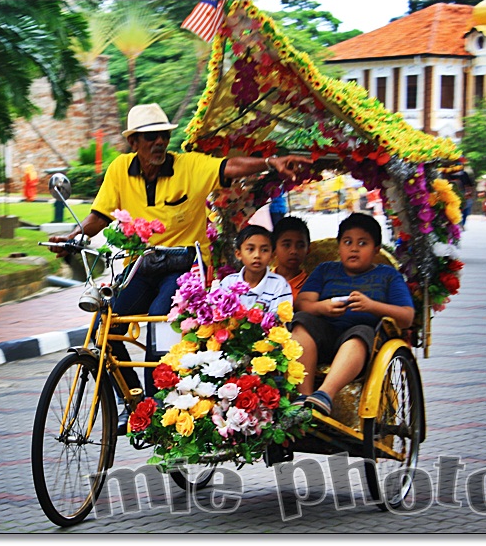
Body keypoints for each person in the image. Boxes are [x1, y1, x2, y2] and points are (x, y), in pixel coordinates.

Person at [47, 103, 312, 433]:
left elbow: (228, 167)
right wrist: (73, 237)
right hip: (141, 264)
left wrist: (269, 162)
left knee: (160, 321)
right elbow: (99, 215)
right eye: (150, 137)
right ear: (134, 142)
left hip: (185, 266)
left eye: (163, 135)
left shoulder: (188, 165)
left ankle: (157, 408)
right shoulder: (119, 170)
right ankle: (133, 400)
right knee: (106, 325)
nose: (159, 142)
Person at [289, 213, 415, 416]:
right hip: (324, 336)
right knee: (301, 322)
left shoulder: (388, 275)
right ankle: (303, 396)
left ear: (376, 249)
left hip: (363, 343)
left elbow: (407, 316)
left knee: (360, 333)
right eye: (347, 242)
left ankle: (324, 395)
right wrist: (322, 307)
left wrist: (372, 306)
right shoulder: (326, 270)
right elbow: (303, 303)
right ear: (339, 246)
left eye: (362, 243)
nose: (354, 248)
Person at [217, 225, 292, 311]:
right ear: (238, 254)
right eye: (250, 249)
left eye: (264, 250)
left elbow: (280, 317)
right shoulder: (228, 282)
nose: (257, 255)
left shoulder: (279, 285)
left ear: (272, 256)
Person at [271, 216, 311, 300]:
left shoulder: (311, 286)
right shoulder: (263, 281)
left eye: (300, 246)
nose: (294, 251)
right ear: (274, 249)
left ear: (308, 250)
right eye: (286, 245)